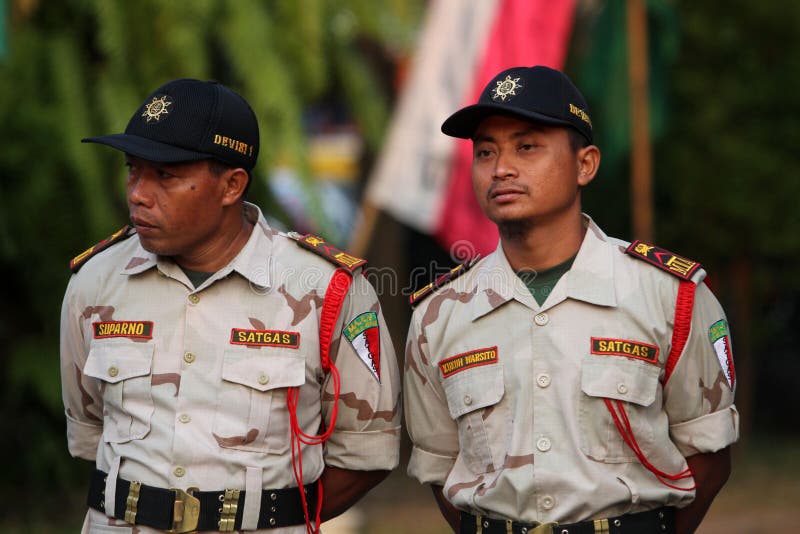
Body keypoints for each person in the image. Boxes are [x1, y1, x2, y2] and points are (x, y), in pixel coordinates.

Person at [403, 66, 738, 534]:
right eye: (485, 152)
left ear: (586, 165)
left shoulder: (669, 296)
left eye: (526, 146)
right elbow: (441, 467)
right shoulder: (439, 315)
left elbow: (709, 454)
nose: (501, 169)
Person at [60, 78, 401, 534]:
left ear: (231, 186)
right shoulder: (96, 283)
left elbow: (366, 453)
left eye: (165, 175)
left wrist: (264, 517)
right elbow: (89, 432)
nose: (138, 193)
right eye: (133, 169)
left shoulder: (327, 290)